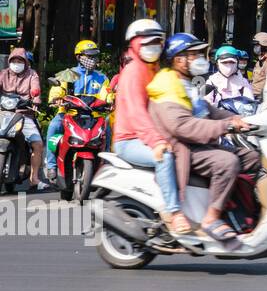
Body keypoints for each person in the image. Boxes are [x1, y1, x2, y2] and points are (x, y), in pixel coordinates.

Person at [148, 34, 250, 242]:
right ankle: (211, 219)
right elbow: (184, 126)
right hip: (185, 147)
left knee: (253, 158)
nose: (198, 59)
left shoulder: (187, 82)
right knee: (228, 162)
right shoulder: (167, 86)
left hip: (201, 142)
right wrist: (226, 125)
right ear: (178, 59)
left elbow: (206, 111)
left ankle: (244, 214)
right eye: (193, 54)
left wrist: (240, 118)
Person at [111, 19, 189, 234]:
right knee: (164, 157)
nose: (152, 47)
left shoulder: (154, 69)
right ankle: (174, 213)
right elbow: (137, 113)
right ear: (135, 44)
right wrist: (156, 142)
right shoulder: (134, 71)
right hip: (129, 140)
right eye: (146, 43)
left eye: (157, 42)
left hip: (146, 136)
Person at [44, 39, 110, 186]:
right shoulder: (68, 74)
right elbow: (57, 89)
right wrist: (56, 98)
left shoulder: (102, 78)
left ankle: (105, 166)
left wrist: (111, 101)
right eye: (89, 56)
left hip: (93, 116)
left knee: (108, 131)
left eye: (94, 56)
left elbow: (107, 95)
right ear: (79, 57)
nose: (92, 60)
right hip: (69, 114)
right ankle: (51, 166)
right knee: (53, 127)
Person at [0, 47, 46, 191]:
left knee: (37, 144)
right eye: (14, 60)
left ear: (25, 62)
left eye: (20, 60)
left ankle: (34, 179)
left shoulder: (32, 75)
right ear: (10, 61)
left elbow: (36, 91)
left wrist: (35, 100)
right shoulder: (3, 74)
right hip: (2, 113)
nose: (17, 63)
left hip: (24, 114)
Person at [248, 31, 267, 99]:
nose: (255, 47)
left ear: (265, 46)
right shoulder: (260, 60)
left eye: (257, 45)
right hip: (253, 96)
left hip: (261, 98)